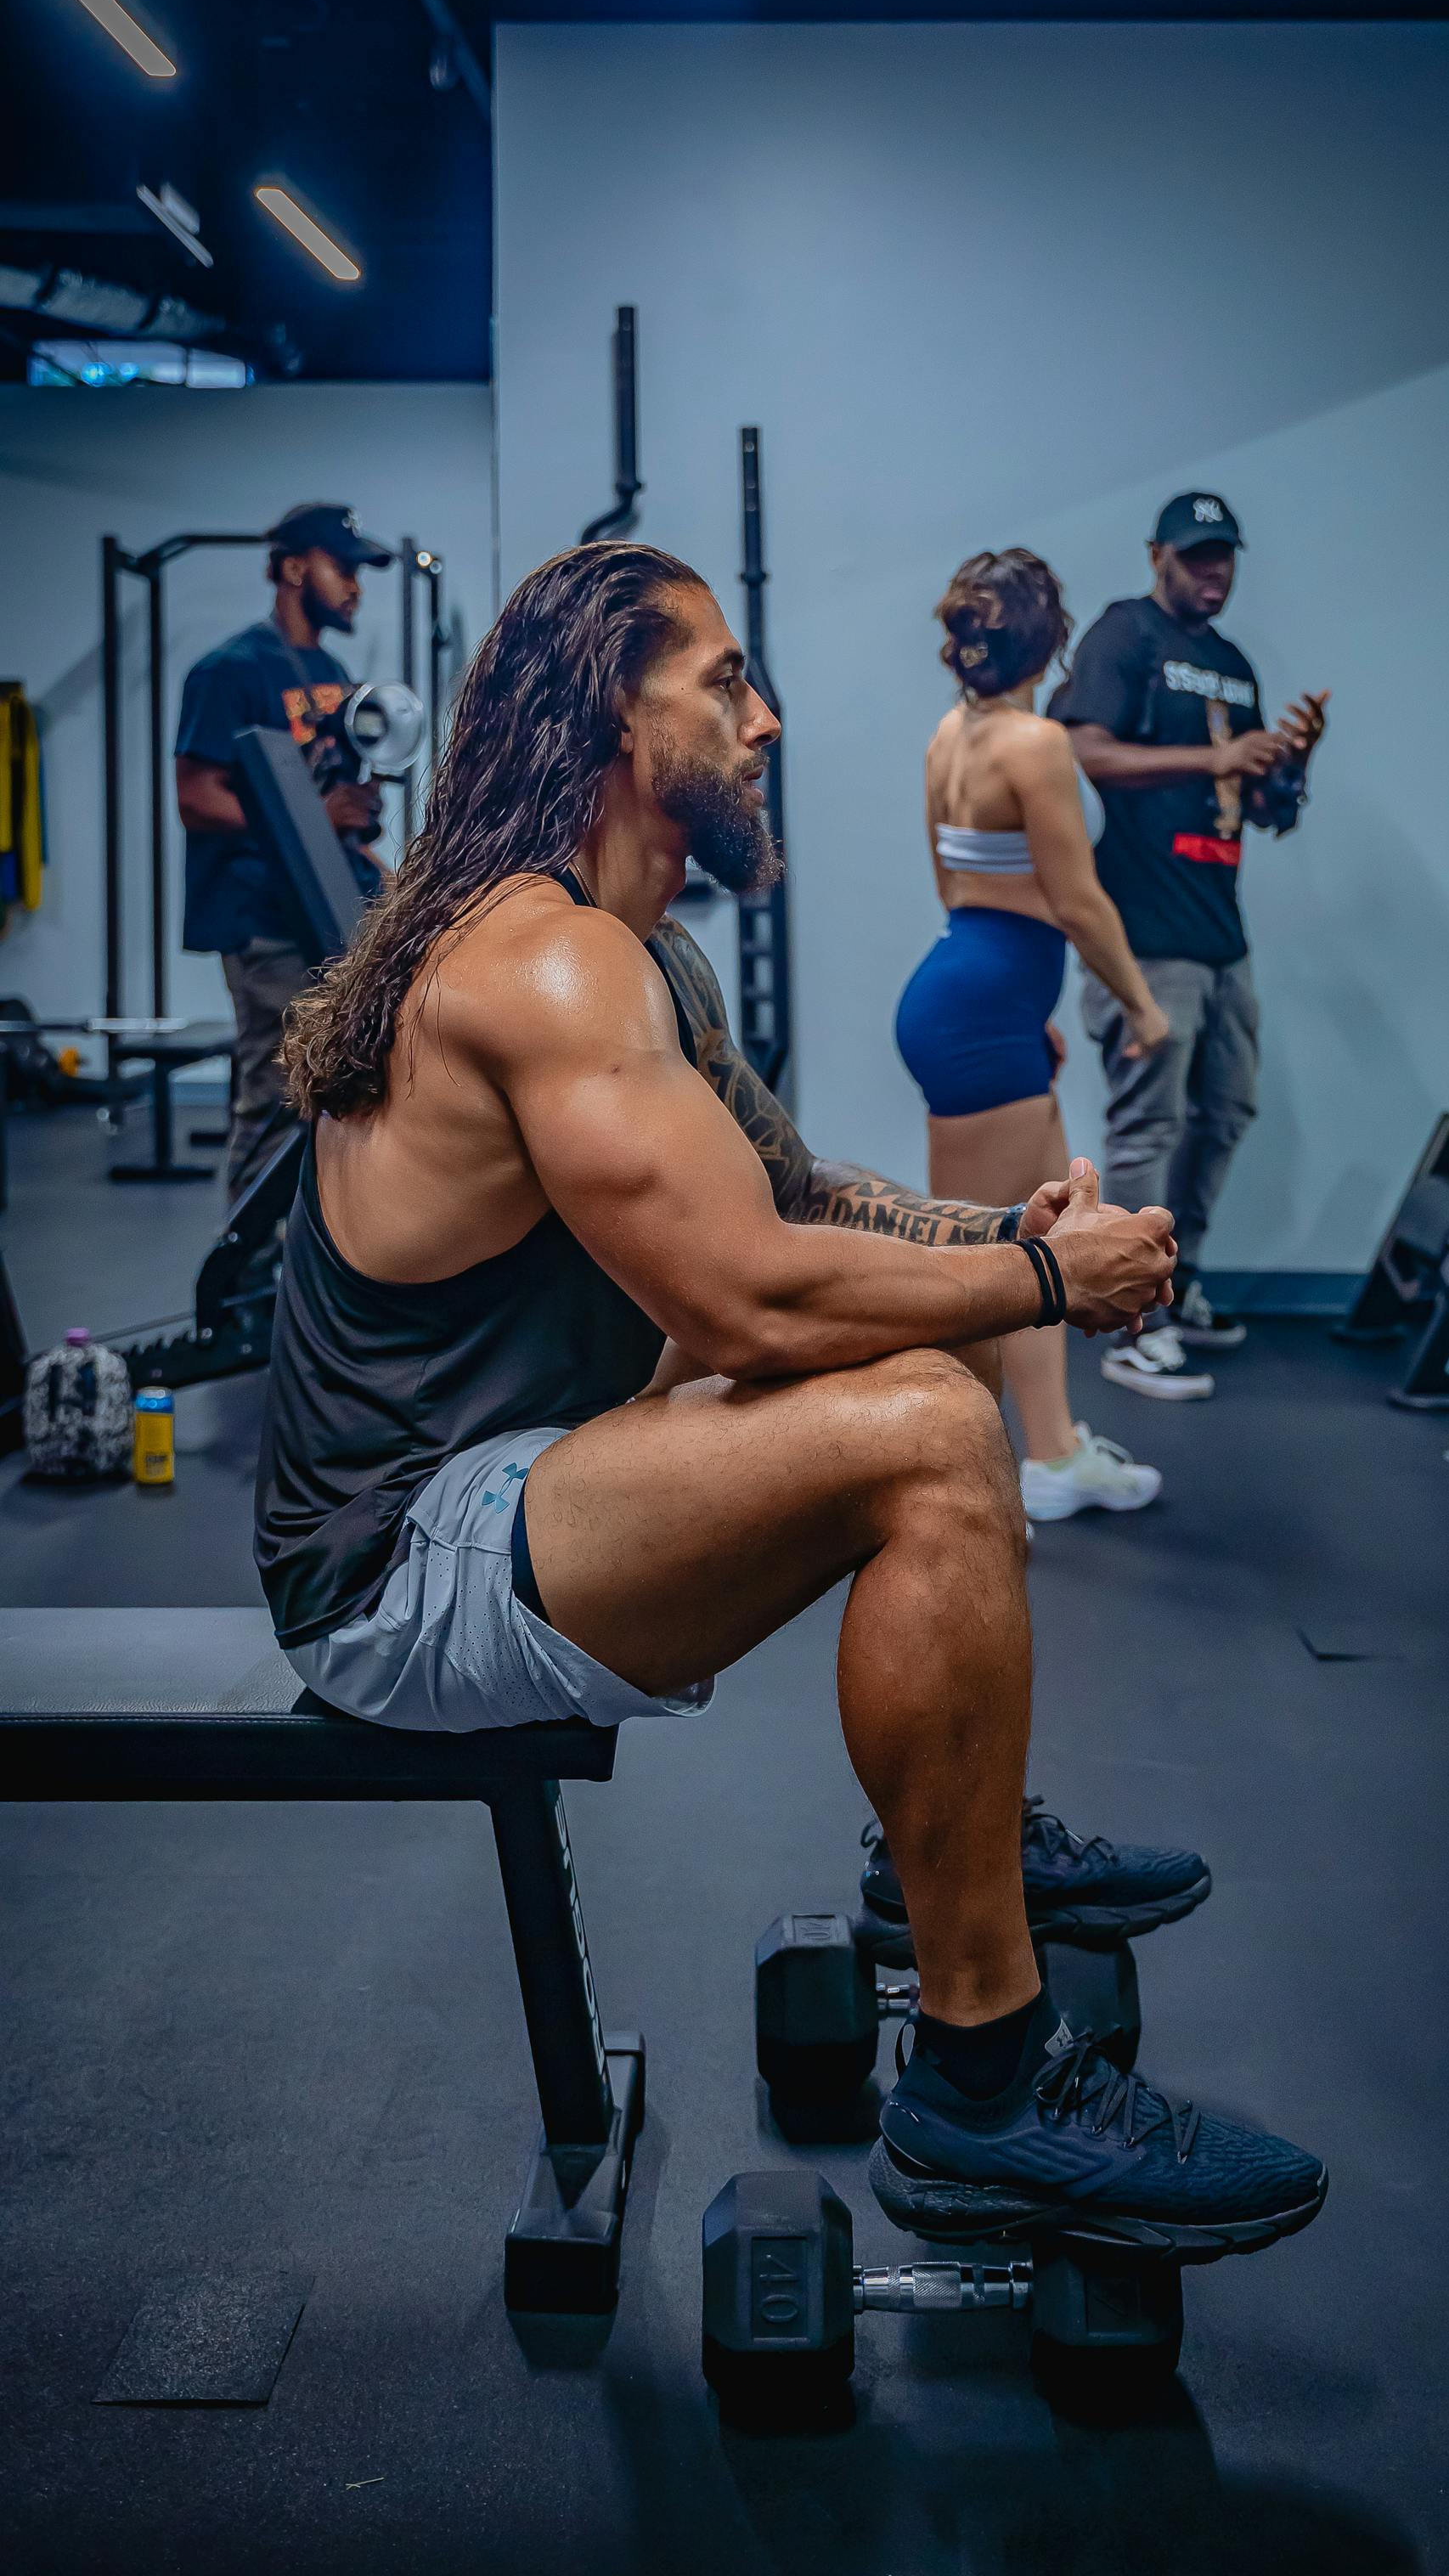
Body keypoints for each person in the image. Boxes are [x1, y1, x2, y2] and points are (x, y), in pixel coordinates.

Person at [258, 540, 1325, 2263]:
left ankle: (948, 1870)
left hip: (519, 1487)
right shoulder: (542, 966)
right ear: (618, 712)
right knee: (920, 1422)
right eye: (726, 683)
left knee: (918, 1359)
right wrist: (1052, 1285)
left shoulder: (635, 957)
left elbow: (804, 1200)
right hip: (399, 1572)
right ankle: (983, 2092)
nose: (769, 720)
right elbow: (742, 1297)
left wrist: (999, 1232)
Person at [895, 549, 1197, 1531]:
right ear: (1046, 642)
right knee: (991, 1260)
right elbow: (1075, 901)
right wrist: (1143, 1012)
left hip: (972, 992)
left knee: (1039, 1246)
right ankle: (960, 1479)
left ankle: (1055, 1454)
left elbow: (959, 890)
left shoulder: (953, 733)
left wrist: (1027, 1012)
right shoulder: (1034, 742)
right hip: (980, 1013)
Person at [1051, 492, 1328, 1395]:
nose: (1212, 574)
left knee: (1226, 1112)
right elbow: (1079, 749)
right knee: (1147, 1127)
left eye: (1224, 559)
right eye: (1196, 558)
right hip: (1142, 931)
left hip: (1220, 935)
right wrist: (1215, 758)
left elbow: (1263, 812)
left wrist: (1287, 764)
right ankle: (1132, 1324)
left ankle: (1177, 1279)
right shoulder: (1124, 635)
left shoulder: (1234, 666)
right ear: (1156, 556)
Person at [174, 502, 395, 1199]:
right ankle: (237, 1289)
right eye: (345, 568)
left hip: (323, 907)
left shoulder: (328, 668)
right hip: (260, 916)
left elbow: (328, 787)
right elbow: (196, 797)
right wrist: (312, 816)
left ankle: (302, 1273)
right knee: (278, 1097)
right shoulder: (231, 671)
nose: (356, 586)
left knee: (340, 1088)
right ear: (296, 567)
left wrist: (355, 813)